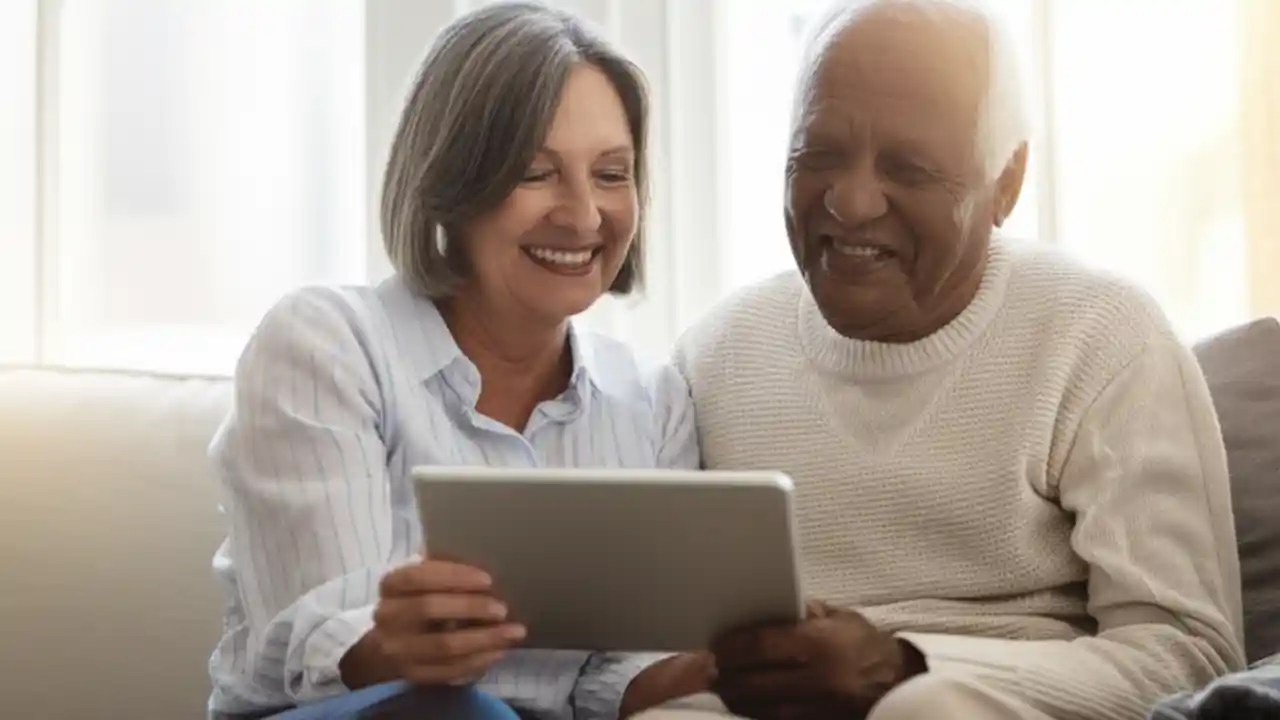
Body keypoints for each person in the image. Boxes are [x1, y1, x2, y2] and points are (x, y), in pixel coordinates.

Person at [666, 1, 1247, 718]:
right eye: (818, 156)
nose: (848, 201)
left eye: (907, 168)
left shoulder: (1102, 334)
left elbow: (1189, 652)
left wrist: (904, 667)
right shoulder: (716, 353)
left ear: (1006, 181)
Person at [206, 3, 711, 718]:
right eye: (536, 173)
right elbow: (318, 639)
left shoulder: (653, 401)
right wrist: (393, 644)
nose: (584, 215)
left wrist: (717, 672)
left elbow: (612, 677)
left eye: (610, 173)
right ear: (453, 184)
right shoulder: (327, 346)